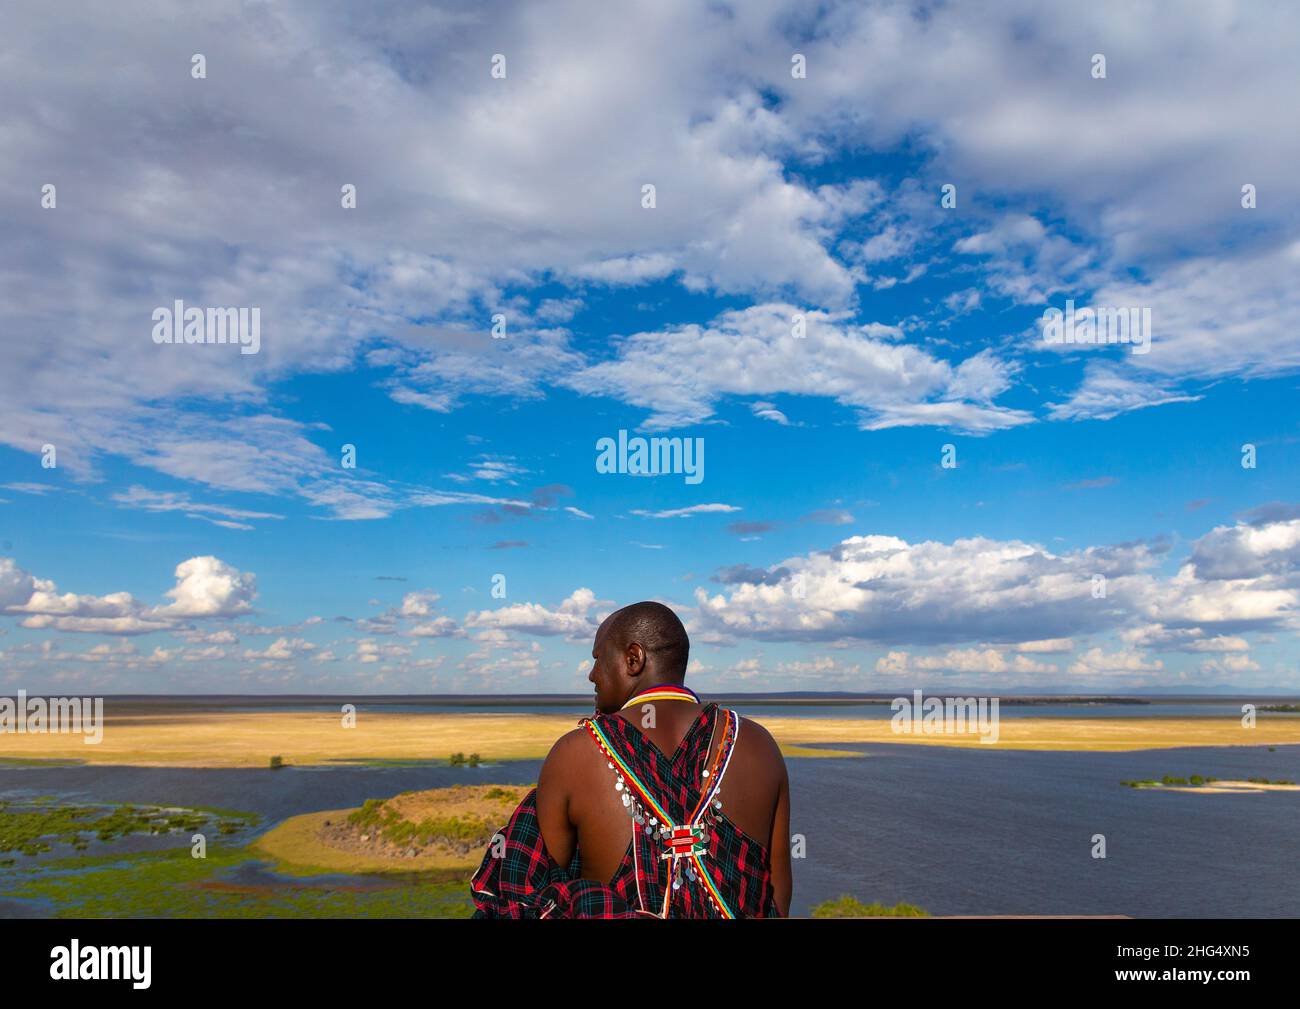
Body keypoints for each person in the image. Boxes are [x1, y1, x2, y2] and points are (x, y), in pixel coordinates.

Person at [470, 600, 791, 918]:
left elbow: (529, 896)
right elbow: (778, 895)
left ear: (633, 659)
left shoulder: (575, 754)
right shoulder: (758, 744)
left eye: (597, 659)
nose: (591, 675)